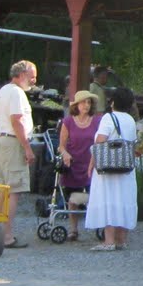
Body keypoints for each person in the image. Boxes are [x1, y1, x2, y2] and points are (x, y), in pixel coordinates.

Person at [0, 60, 38, 249]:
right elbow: (17, 121)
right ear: (21, 75)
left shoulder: (3, 91)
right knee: (13, 190)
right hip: (13, 142)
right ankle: (7, 236)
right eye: (32, 76)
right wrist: (26, 147)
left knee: (3, 189)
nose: (34, 80)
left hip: (1, 140)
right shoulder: (17, 93)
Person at [85, 87, 139, 249]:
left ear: (113, 102)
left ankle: (108, 241)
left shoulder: (108, 118)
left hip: (107, 166)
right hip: (125, 167)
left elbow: (100, 141)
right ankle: (121, 240)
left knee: (107, 199)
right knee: (124, 199)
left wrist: (91, 163)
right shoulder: (130, 120)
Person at [57, 91, 101, 241]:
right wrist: (65, 154)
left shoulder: (96, 121)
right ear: (76, 105)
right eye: (83, 102)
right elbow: (61, 146)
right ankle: (73, 229)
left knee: (94, 194)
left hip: (91, 163)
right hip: (73, 163)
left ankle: (98, 225)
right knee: (72, 199)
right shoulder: (68, 122)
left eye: (89, 102)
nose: (86, 105)